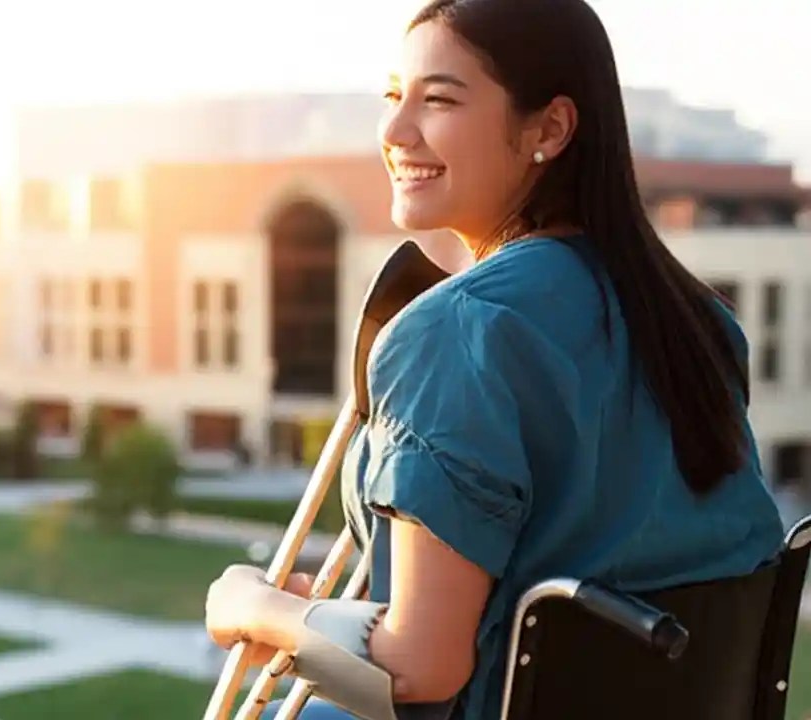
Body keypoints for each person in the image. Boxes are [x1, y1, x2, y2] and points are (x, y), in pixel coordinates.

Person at [203, 0, 786, 718]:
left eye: (439, 100)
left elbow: (420, 669)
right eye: (394, 96)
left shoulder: (455, 331)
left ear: (549, 128)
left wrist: (255, 609)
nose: (393, 131)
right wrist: (325, 623)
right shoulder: (698, 323)